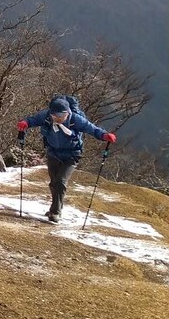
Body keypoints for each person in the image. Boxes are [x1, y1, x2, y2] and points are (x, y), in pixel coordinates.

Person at [16, 95, 115, 223]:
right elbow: (33, 120)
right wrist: (25, 123)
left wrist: (104, 135)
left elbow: (92, 129)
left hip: (72, 154)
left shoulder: (76, 119)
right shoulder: (46, 116)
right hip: (53, 153)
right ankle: (56, 206)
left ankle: (55, 213)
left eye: (62, 116)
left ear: (68, 113)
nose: (58, 119)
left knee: (61, 181)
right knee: (53, 183)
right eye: (55, 116)